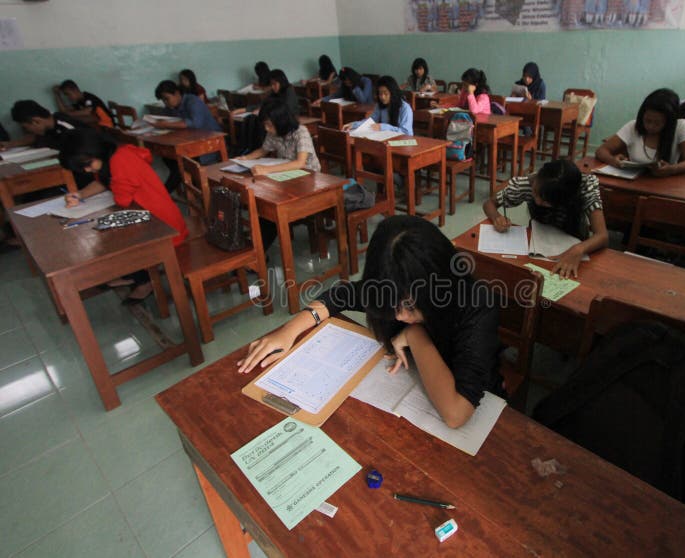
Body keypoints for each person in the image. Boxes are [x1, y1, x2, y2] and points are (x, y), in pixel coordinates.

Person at [237, 215, 505, 428]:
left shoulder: (477, 306)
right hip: (402, 397)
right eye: (392, 303)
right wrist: (289, 331)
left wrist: (415, 335)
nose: (398, 316)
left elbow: (456, 414)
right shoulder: (394, 288)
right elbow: (340, 295)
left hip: (480, 417)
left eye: (410, 307)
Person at [59, 129, 188, 302]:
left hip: (162, 225)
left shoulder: (120, 160)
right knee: (105, 231)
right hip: (146, 216)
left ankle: (144, 280)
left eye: (88, 164)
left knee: (109, 235)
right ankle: (131, 274)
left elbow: (122, 200)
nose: (87, 170)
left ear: (96, 151)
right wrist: (80, 195)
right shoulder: (110, 157)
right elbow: (103, 182)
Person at [483, 159, 608, 279]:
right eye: (535, 193)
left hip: (575, 243)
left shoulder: (584, 187)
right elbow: (489, 204)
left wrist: (579, 249)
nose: (537, 201)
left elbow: (602, 236)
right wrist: (496, 217)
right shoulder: (530, 183)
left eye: (545, 202)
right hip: (539, 245)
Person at [237, 99, 321, 251]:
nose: (266, 128)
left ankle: (258, 252)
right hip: (286, 179)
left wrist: (266, 170)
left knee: (271, 210)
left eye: (269, 124)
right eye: (265, 124)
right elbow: (263, 150)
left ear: (281, 121)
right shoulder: (274, 133)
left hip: (307, 182)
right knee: (264, 206)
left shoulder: (300, 132)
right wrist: (245, 158)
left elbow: (300, 163)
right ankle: (256, 249)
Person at [595, 88, 685, 177]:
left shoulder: (681, 126)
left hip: (666, 185)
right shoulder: (633, 126)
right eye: (647, 120)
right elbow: (601, 151)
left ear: (669, 122)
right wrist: (614, 161)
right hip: (633, 182)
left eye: (657, 123)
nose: (651, 126)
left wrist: (672, 169)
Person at [153, 79, 222, 191]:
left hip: (207, 143)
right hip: (188, 143)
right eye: (163, 100)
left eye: (167, 99)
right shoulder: (171, 107)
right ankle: (185, 183)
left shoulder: (192, 101)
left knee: (181, 166)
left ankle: (165, 193)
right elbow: (166, 119)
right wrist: (160, 123)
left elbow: (194, 123)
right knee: (168, 158)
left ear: (176, 93)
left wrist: (165, 124)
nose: (165, 103)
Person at [3, 100, 87, 150]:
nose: (28, 131)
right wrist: (10, 144)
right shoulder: (49, 126)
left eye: (26, 128)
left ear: (36, 121)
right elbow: (35, 138)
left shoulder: (67, 126)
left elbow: (81, 150)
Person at [344, 76, 413, 136]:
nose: (382, 97)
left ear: (393, 93)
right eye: (380, 94)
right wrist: (354, 125)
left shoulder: (405, 108)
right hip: (386, 139)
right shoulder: (380, 105)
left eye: (386, 93)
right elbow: (371, 121)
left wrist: (383, 127)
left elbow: (406, 133)